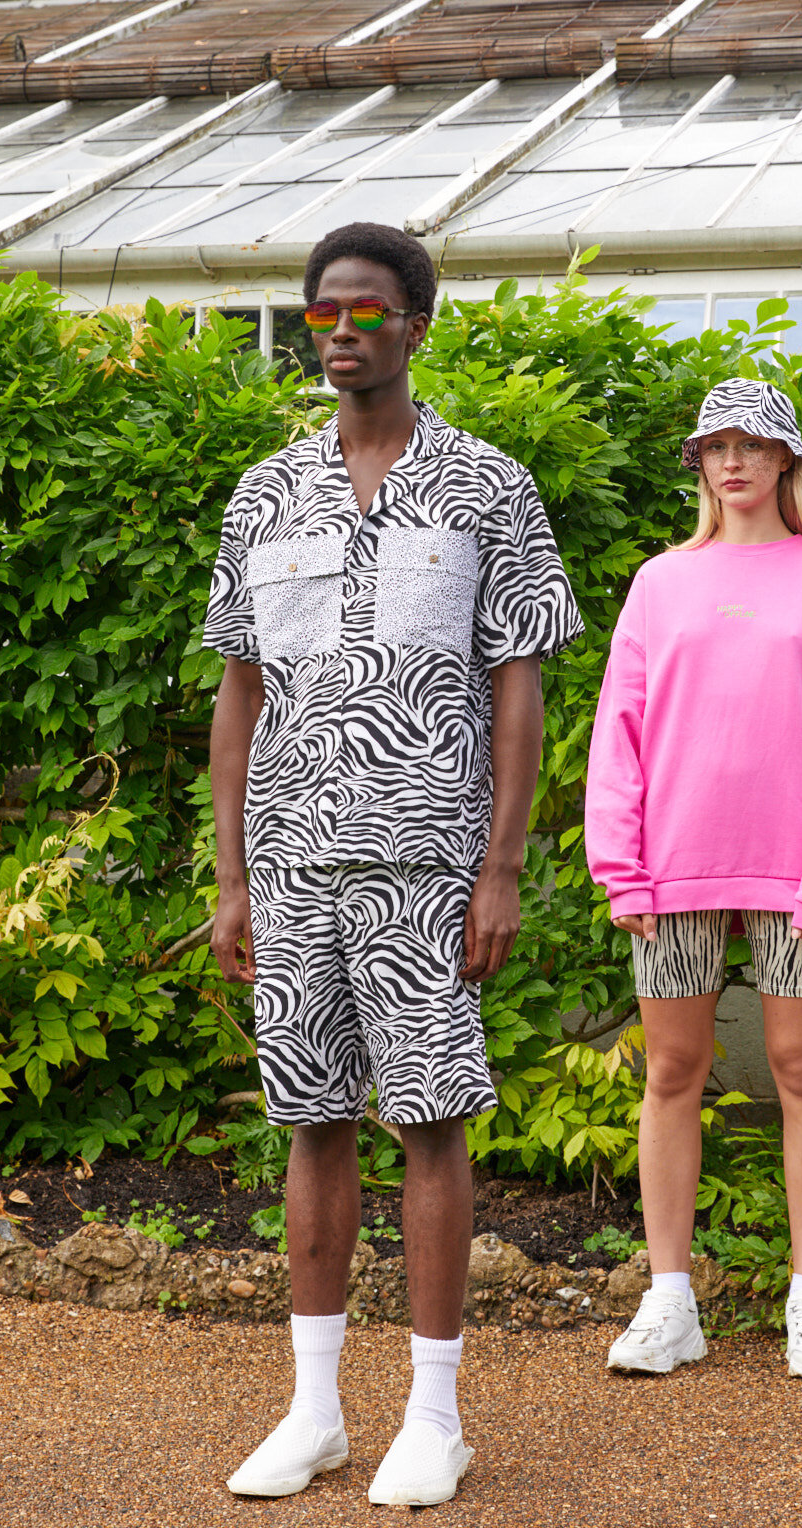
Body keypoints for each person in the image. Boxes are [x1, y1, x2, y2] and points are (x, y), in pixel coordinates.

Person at [205, 222, 581, 1507]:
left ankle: (435, 1413)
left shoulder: (488, 485)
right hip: (293, 856)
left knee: (428, 1120)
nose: (342, 329)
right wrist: (233, 876)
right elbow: (239, 694)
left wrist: (503, 866)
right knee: (310, 1122)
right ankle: (314, 1409)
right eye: (322, 313)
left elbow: (516, 689)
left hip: (427, 866)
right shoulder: (265, 493)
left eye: (367, 308)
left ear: (419, 322)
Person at [584, 378, 802, 1380]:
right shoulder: (659, 581)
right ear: (699, 465)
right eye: (715, 445)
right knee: (670, 1074)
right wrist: (619, 863)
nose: (733, 460)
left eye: (753, 443)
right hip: (672, 869)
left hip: (798, 871)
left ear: (789, 461)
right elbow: (617, 732)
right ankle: (670, 1299)